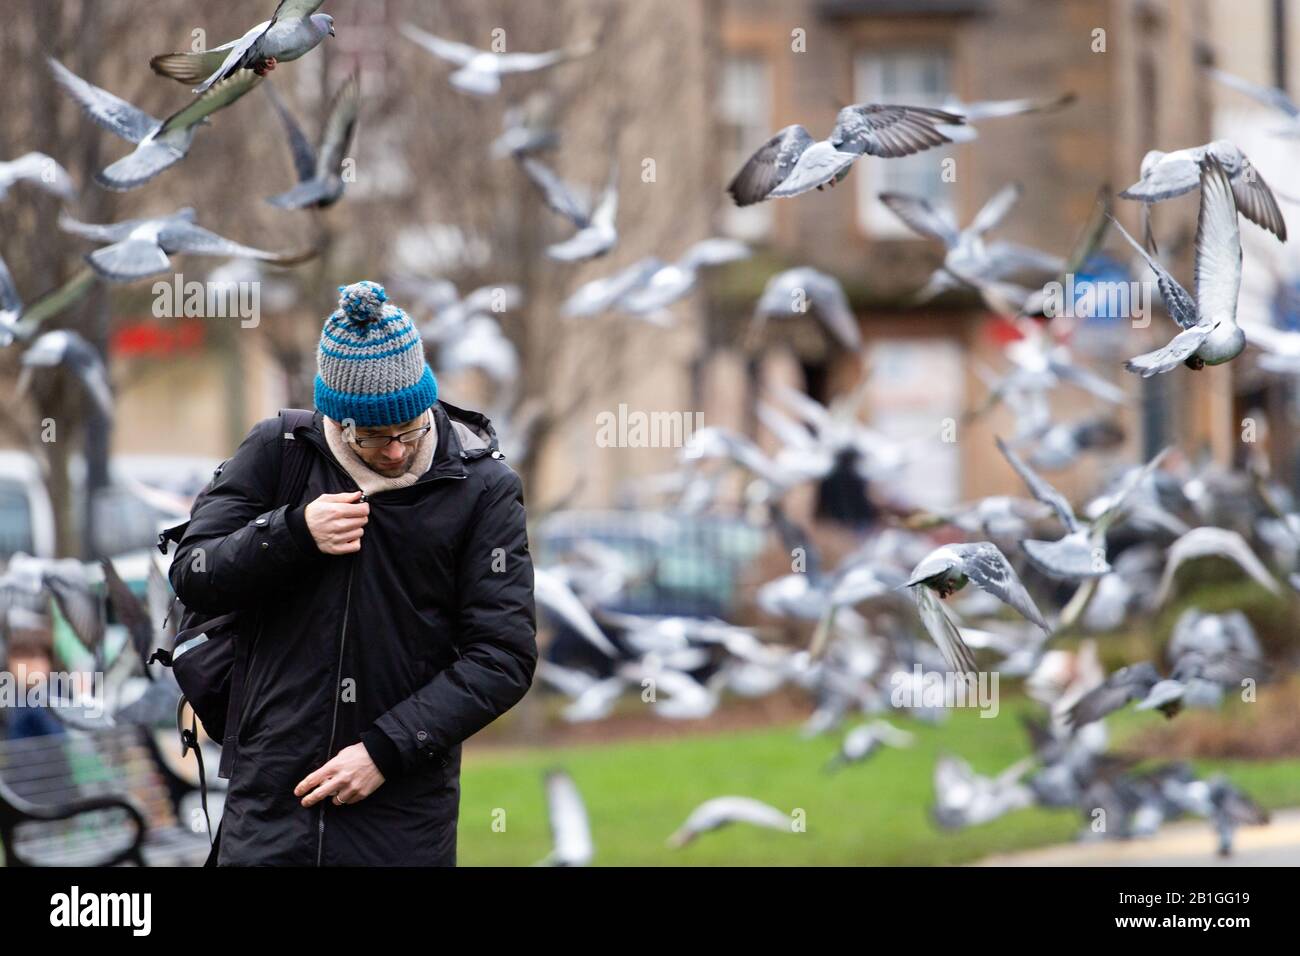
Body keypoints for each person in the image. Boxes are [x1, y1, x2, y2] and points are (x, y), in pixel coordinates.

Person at [168, 280, 537, 866]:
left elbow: (503, 656)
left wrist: (385, 752)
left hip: (401, 814)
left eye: (409, 428)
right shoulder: (279, 453)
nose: (394, 451)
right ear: (336, 420)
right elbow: (193, 570)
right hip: (270, 806)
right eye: (372, 437)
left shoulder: (484, 490)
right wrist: (292, 534)